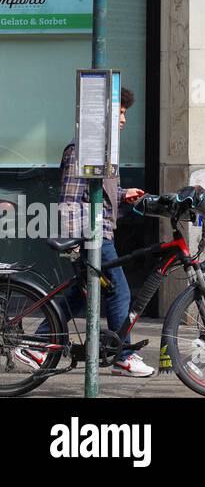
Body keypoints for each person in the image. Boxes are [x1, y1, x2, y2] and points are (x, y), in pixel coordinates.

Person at [18, 89, 155, 377]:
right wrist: (76, 242)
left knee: (79, 296)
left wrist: (123, 193)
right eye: (119, 113)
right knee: (119, 292)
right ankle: (123, 356)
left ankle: (38, 342)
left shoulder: (101, 148)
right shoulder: (81, 148)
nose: (124, 120)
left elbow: (97, 191)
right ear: (104, 115)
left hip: (97, 230)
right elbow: (70, 198)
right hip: (91, 234)